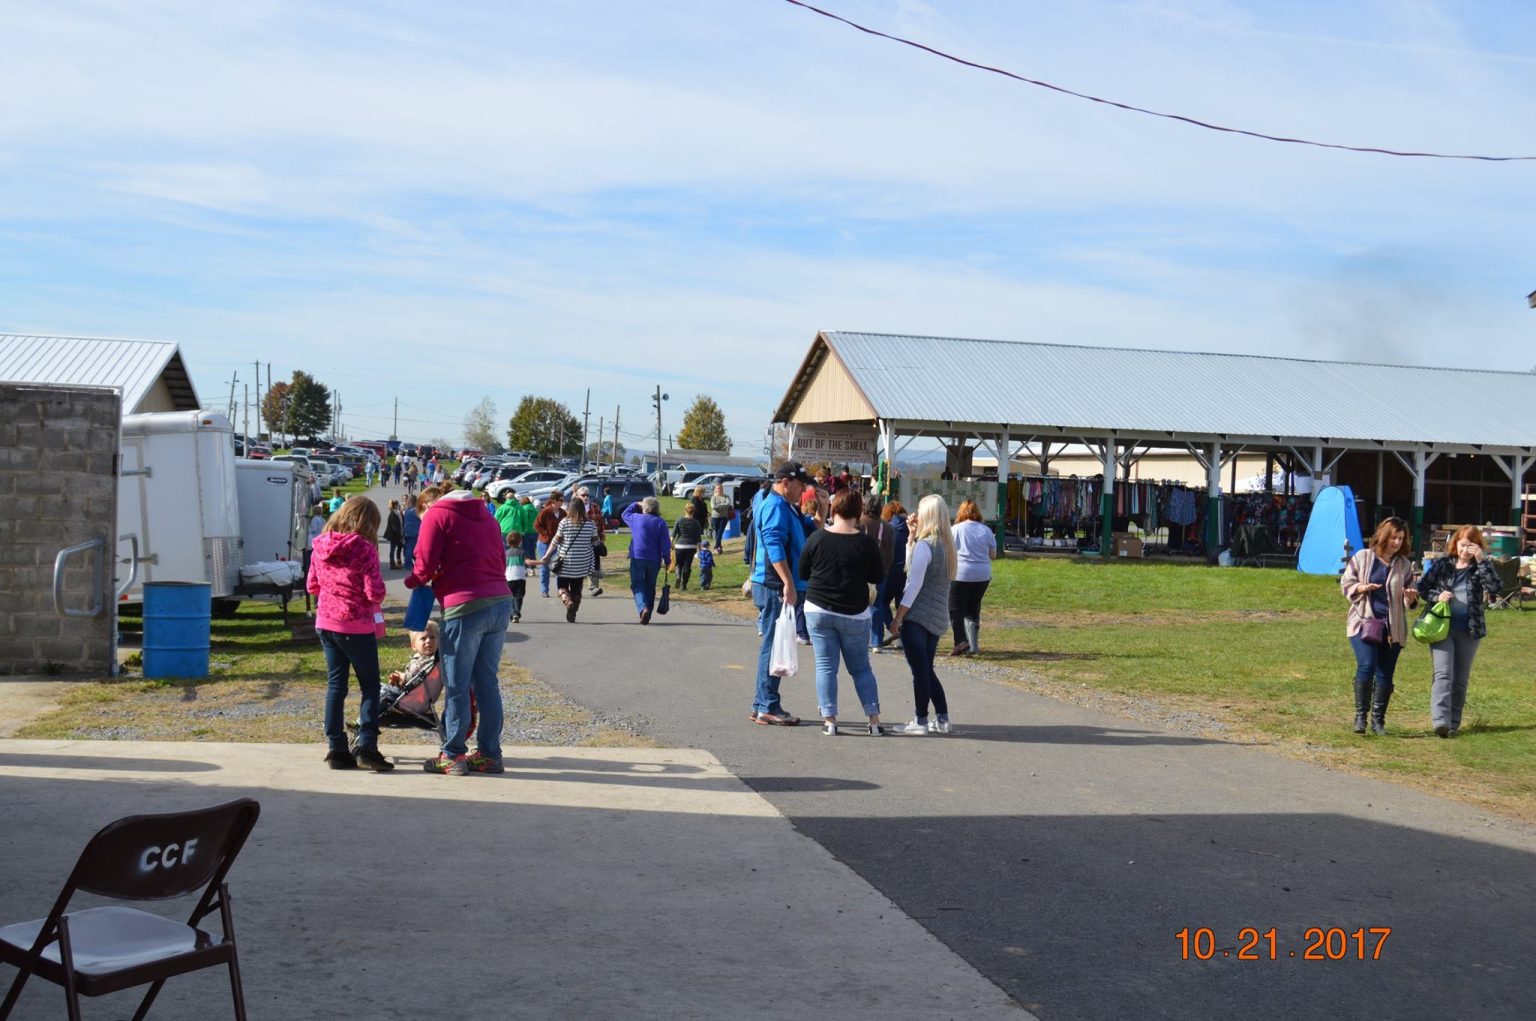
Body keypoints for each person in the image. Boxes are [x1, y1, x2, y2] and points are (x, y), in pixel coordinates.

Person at [405, 482, 511, 775]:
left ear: (428, 506)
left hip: (464, 607)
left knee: (457, 685)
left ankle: (452, 754)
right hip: (500, 601)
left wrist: (411, 582)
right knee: (487, 682)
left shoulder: (438, 515)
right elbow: (499, 561)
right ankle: (490, 753)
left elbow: (422, 567)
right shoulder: (487, 516)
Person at [306, 495, 393, 772]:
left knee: (336, 686)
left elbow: (311, 586)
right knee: (369, 687)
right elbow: (375, 592)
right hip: (355, 625)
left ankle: (336, 749)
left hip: (326, 623)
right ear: (369, 522)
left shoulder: (320, 545)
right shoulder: (365, 549)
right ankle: (367, 745)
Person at [799, 488, 886, 736]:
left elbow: (803, 572)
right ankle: (874, 720)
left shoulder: (817, 538)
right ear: (858, 512)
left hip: (818, 608)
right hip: (854, 612)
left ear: (834, 509)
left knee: (826, 667)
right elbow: (877, 576)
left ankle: (830, 720)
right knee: (861, 669)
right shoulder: (866, 543)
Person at [749, 461, 823, 726]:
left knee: (774, 644)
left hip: (777, 584)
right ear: (785, 482)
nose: (804, 489)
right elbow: (773, 544)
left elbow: (809, 528)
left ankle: (762, 703)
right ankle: (767, 705)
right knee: (774, 646)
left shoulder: (786, 506)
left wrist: (822, 506)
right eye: (801, 484)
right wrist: (788, 583)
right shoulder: (774, 506)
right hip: (774, 585)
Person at [1417, 525, 1501, 738]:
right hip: (1441, 627)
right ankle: (1440, 722)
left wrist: (1482, 561)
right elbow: (1422, 588)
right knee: (1443, 673)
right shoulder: (1443, 564)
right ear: (1455, 544)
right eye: (1463, 545)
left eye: (1471, 546)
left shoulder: (1479, 567)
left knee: (1460, 678)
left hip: (1469, 630)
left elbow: (1495, 588)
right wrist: (1438, 596)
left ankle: (1453, 723)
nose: (1465, 550)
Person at [1340, 517, 1419, 736]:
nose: (1396, 542)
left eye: (1401, 538)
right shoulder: (1363, 557)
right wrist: (1362, 587)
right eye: (1393, 537)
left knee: (1385, 674)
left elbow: (1410, 599)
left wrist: (1411, 597)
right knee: (1367, 665)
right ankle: (1360, 718)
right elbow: (1345, 584)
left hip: (1392, 629)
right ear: (1383, 535)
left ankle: (1378, 722)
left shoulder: (1404, 565)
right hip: (1363, 623)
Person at [891, 494, 956, 735]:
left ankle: (920, 719)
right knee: (926, 668)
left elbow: (913, 583)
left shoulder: (925, 546)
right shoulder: (947, 546)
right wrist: (911, 536)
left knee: (920, 671)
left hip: (917, 616)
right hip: (937, 614)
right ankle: (942, 717)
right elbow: (914, 567)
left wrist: (898, 617)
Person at [949, 499, 998, 656]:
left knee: (956, 609)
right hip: (982, 575)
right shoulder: (986, 530)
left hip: (960, 574)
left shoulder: (955, 529)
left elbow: (948, 552)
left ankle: (960, 641)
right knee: (973, 607)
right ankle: (974, 644)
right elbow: (993, 555)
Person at [539, 497, 598, 622]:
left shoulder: (564, 522)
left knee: (562, 586)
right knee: (577, 587)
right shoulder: (590, 524)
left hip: (565, 562)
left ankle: (568, 601)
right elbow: (595, 541)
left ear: (570, 509)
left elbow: (556, 541)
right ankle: (574, 607)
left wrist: (547, 555)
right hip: (582, 561)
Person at [623, 496, 672, 623]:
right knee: (650, 586)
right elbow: (665, 544)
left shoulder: (636, 518)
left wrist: (635, 503)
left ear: (644, 508)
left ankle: (642, 608)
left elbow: (624, 514)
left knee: (637, 584)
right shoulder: (661, 523)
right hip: (654, 558)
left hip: (637, 556)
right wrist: (667, 560)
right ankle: (647, 612)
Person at [861, 496, 895, 653]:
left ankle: (861, 638)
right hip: (881, 572)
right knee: (878, 605)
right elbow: (891, 552)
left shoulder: (860, 523)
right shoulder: (887, 527)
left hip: (861, 572)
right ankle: (876, 641)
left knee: (859, 606)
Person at [878, 500, 909, 650]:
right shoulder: (910, 528)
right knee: (901, 604)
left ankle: (891, 628)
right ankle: (901, 637)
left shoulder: (887, 528)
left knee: (883, 601)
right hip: (906, 571)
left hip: (890, 571)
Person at [534, 491, 566, 598]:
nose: (562, 502)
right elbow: (536, 525)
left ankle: (560, 590)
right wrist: (545, 533)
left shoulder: (562, 513)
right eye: (561, 500)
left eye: (563, 499)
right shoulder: (545, 511)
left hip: (558, 544)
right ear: (554, 501)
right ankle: (544, 590)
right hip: (544, 543)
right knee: (545, 566)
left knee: (558, 567)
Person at [576, 486, 605, 596]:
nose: (586, 497)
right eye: (583, 495)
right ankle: (576, 586)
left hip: (594, 541)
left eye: (587, 495)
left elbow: (601, 523)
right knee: (579, 564)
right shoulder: (574, 508)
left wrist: (601, 539)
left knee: (595, 564)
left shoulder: (595, 507)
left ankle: (594, 587)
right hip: (580, 542)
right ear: (578, 496)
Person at [672, 502, 704, 590]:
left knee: (679, 564)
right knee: (687, 565)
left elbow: (673, 534)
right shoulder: (696, 522)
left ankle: (678, 574)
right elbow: (698, 538)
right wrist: (700, 550)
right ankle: (684, 585)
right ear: (694, 511)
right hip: (691, 546)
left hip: (679, 545)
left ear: (685, 510)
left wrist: (671, 544)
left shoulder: (679, 520)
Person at [505, 530, 528, 623]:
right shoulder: (522, 552)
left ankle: (511, 614)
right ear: (520, 541)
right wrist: (542, 562)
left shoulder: (506, 553)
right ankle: (515, 613)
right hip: (520, 579)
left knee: (510, 597)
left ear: (507, 541)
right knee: (519, 597)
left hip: (508, 579)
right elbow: (528, 562)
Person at [710, 483, 733, 552]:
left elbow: (728, 504)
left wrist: (719, 506)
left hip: (724, 517)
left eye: (720, 488)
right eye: (717, 488)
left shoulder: (726, 497)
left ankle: (716, 545)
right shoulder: (713, 497)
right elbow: (713, 507)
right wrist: (723, 506)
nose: (719, 490)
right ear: (715, 489)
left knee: (720, 532)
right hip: (715, 517)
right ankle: (719, 548)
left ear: (722, 489)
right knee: (717, 532)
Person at [383, 498, 404, 570]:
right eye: (398, 505)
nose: (399, 505)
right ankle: (392, 564)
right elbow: (394, 527)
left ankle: (398, 562)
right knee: (392, 549)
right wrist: (400, 535)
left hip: (398, 534)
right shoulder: (392, 514)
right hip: (394, 535)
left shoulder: (397, 512)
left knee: (399, 548)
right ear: (395, 506)